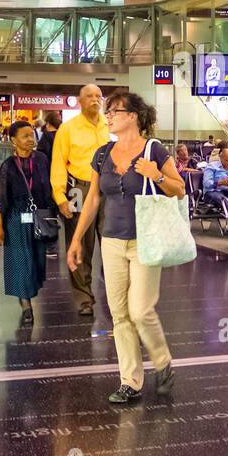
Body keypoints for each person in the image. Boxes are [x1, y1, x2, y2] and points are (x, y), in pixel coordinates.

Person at [67, 92, 185, 403]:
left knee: (140, 309)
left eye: (114, 111)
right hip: (112, 240)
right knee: (119, 313)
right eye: (108, 112)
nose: (108, 116)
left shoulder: (154, 150)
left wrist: (156, 175)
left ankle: (163, 364)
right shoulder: (103, 154)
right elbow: (93, 199)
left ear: (132, 116)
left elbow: (179, 190)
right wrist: (77, 238)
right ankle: (130, 381)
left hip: (146, 240)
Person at [52, 85, 110, 317]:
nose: (95, 100)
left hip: (109, 188)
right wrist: (60, 197)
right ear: (80, 101)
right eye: (90, 96)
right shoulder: (68, 129)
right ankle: (84, 297)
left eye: (98, 96)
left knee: (112, 242)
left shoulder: (111, 125)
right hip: (79, 188)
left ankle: (114, 292)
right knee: (80, 245)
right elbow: (58, 163)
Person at [0, 120, 55, 324]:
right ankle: (25, 303)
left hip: (38, 215)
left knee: (36, 259)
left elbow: (49, 187)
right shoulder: (8, 166)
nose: (31, 139)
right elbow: (1, 199)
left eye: (32, 135)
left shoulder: (42, 159)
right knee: (21, 260)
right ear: (14, 140)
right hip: (16, 218)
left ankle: (30, 292)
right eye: (25, 136)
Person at [201, 145, 228, 210]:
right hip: (212, 192)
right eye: (226, 160)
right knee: (223, 200)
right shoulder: (211, 166)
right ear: (220, 157)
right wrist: (220, 182)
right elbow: (206, 183)